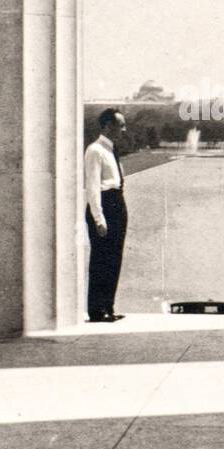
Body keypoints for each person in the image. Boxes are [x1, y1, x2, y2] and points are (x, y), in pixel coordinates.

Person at [84, 108, 128, 322]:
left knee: (114, 259)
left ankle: (108, 307)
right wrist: (99, 219)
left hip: (117, 204)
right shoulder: (95, 150)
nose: (124, 129)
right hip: (105, 205)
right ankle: (96, 310)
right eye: (120, 125)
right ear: (106, 126)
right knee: (101, 260)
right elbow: (92, 187)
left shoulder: (111, 150)